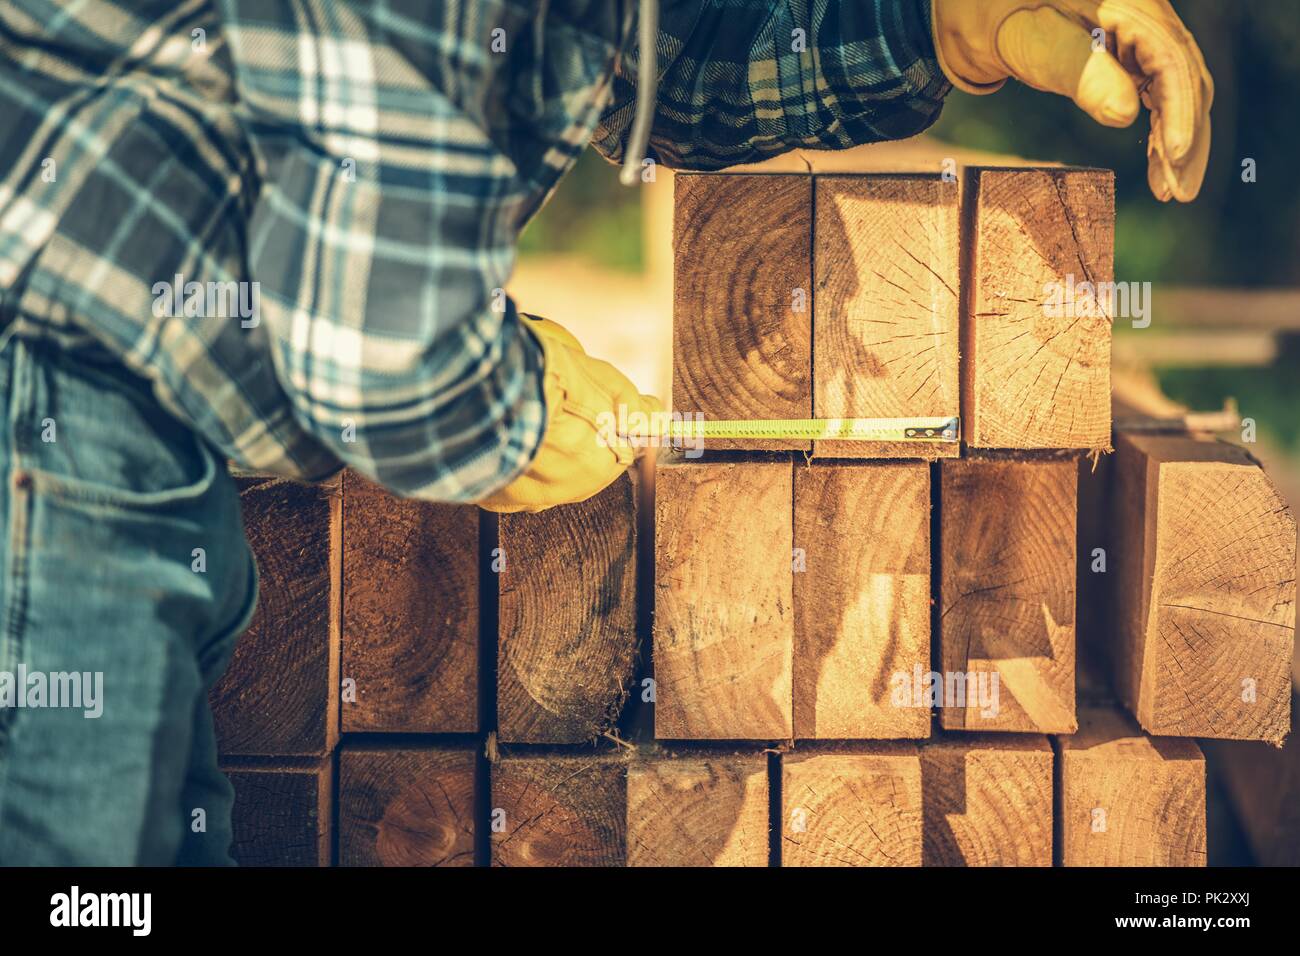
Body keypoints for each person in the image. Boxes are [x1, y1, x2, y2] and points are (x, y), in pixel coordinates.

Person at [0, 0, 1210, 865]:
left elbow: (644, 57)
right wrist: (513, 412)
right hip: (54, 422)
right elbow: (375, 349)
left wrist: (936, 29)